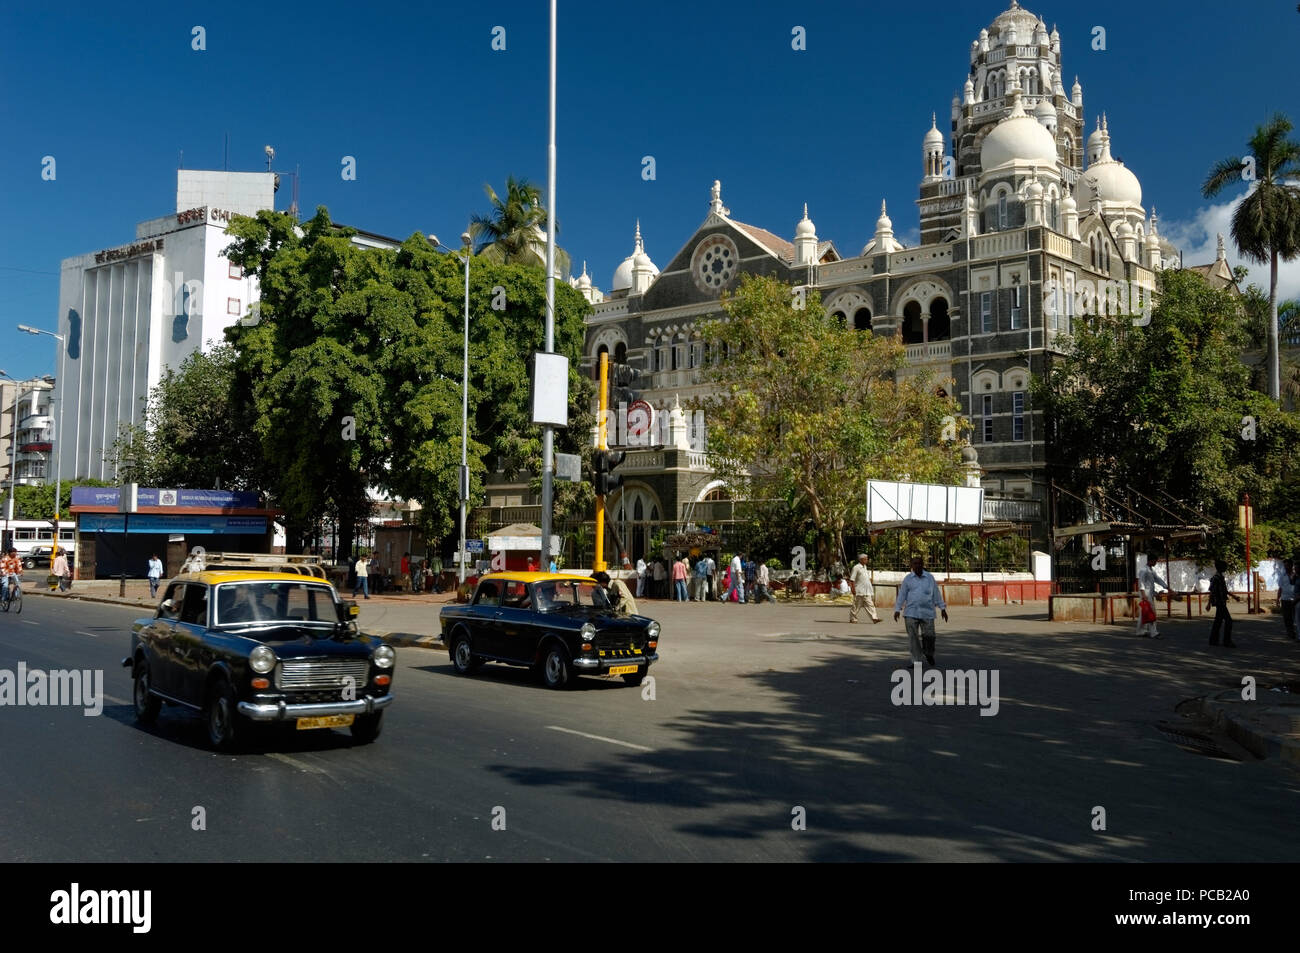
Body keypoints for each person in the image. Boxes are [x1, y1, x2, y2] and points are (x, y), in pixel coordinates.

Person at [893, 556, 948, 666]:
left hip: (927, 612)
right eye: (915, 563)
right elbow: (902, 594)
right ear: (911, 566)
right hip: (911, 612)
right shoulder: (908, 579)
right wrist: (897, 609)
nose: (917, 565)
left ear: (923, 565)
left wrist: (942, 608)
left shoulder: (929, 578)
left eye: (919, 563)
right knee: (913, 638)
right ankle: (916, 661)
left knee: (930, 636)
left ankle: (929, 653)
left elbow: (936, 593)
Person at [1207, 560, 1240, 647]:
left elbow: (1225, 591)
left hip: (1222, 601)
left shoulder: (1221, 577)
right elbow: (1212, 591)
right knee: (1228, 621)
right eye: (1224, 567)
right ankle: (1227, 641)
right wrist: (1208, 603)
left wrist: (1234, 596)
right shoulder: (1216, 578)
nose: (1226, 568)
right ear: (1220, 568)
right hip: (1219, 602)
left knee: (1218, 621)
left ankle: (1213, 640)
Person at [1135, 557, 1169, 638]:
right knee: (1151, 612)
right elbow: (1141, 583)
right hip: (1145, 593)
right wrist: (1143, 595)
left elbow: (1158, 579)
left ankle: (1140, 631)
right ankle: (1154, 632)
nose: (1156, 563)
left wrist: (1166, 587)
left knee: (1144, 613)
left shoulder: (1151, 570)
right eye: (1154, 561)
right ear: (1150, 560)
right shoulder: (1143, 570)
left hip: (1150, 593)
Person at [848, 553, 881, 624]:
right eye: (865, 559)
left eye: (867, 559)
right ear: (861, 559)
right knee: (856, 606)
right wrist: (852, 589)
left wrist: (869, 580)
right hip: (859, 590)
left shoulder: (865, 567)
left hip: (867, 590)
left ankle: (874, 618)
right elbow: (852, 579)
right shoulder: (856, 567)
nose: (867, 560)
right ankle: (853, 618)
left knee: (870, 605)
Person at [1278, 559, 1297, 641]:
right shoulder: (1282, 576)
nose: (1286, 567)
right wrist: (1277, 599)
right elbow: (1280, 588)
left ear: (1291, 566)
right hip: (1285, 599)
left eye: (1287, 565)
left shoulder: (1296, 575)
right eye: (1285, 565)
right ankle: (1290, 632)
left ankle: (1295, 631)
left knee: (1294, 617)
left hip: (1294, 599)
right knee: (1287, 617)